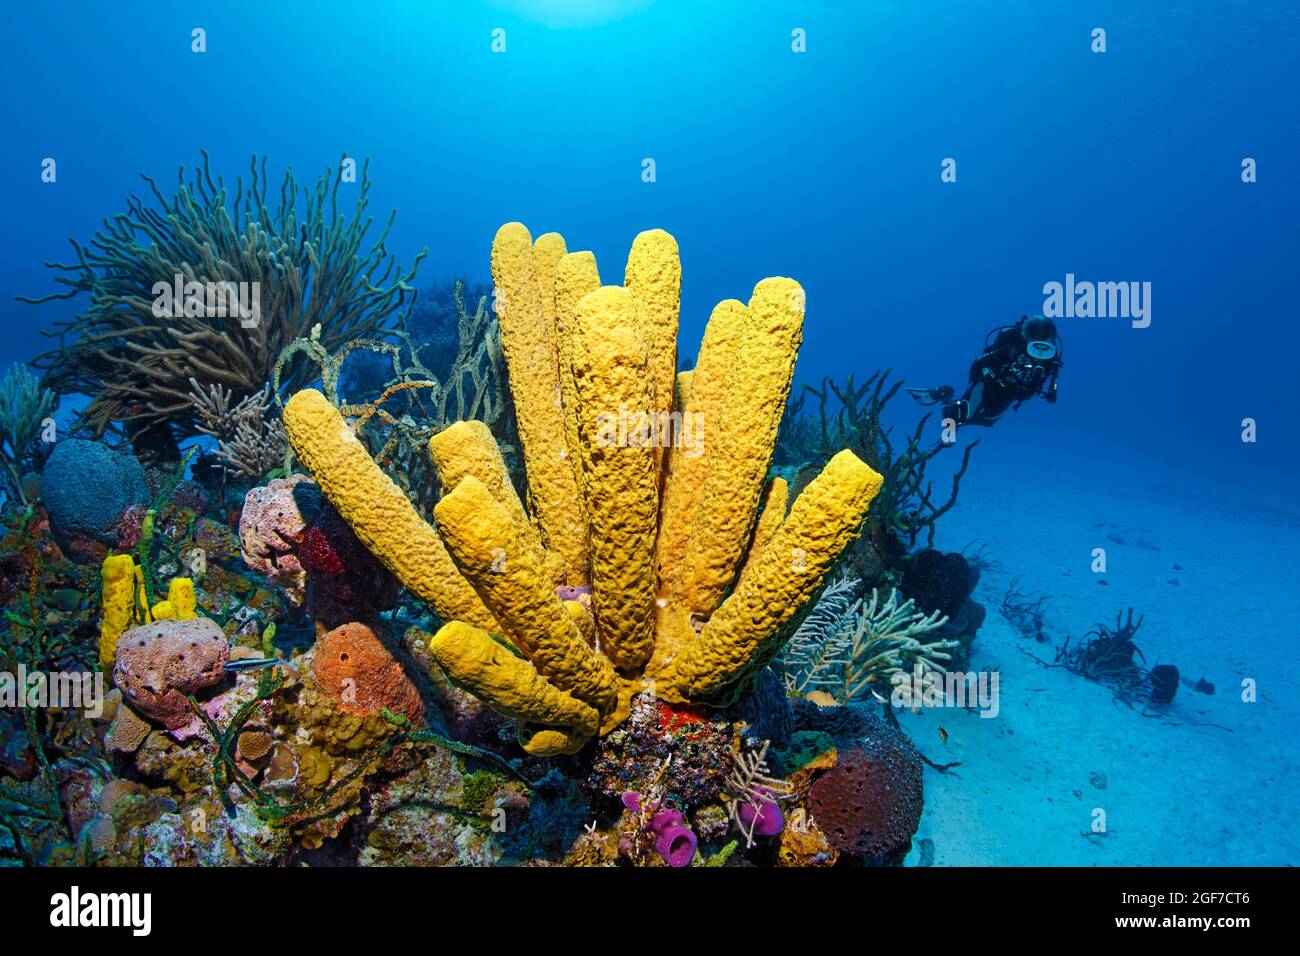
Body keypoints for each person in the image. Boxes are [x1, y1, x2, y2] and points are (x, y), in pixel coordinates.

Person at [909, 315, 1062, 427]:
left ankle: (953, 412)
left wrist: (1051, 392)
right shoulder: (1010, 349)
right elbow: (979, 362)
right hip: (988, 382)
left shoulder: (1052, 359)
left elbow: (1052, 378)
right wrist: (979, 380)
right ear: (1026, 341)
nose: (1040, 355)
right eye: (1035, 348)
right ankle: (943, 398)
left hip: (1012, 391)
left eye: (1046, 349)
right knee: (966, 413)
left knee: (988, 422)